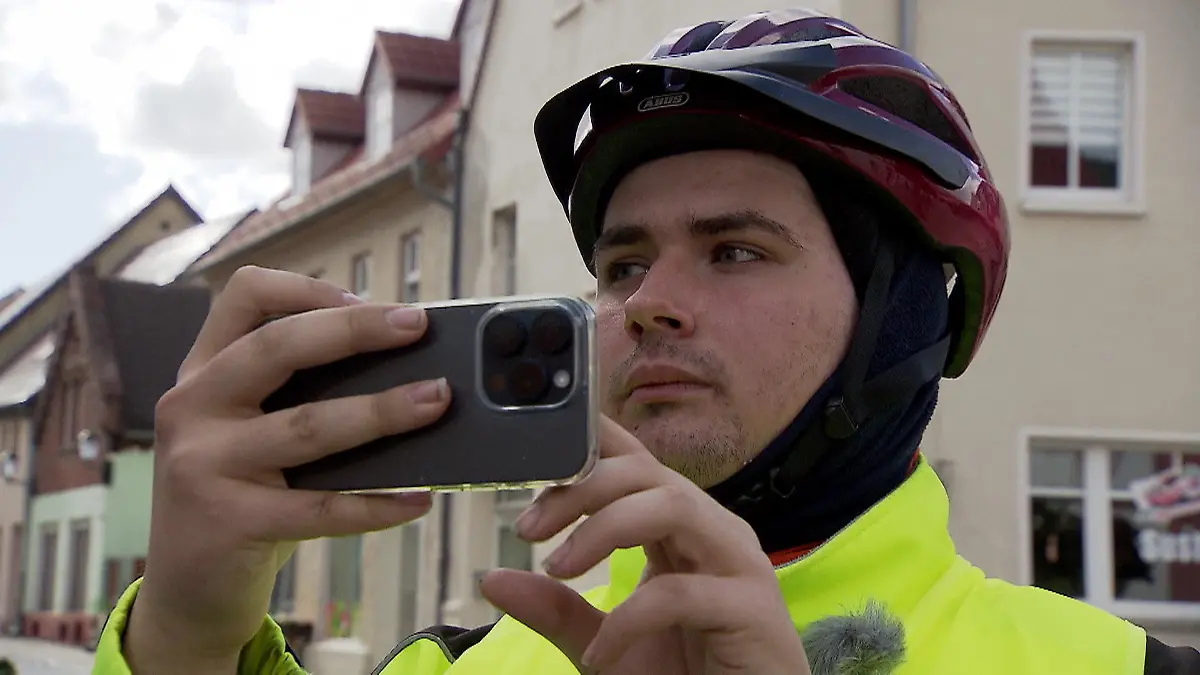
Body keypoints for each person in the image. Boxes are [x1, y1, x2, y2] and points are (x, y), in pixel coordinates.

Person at [94, 9, 1200, 675]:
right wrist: (187, 637)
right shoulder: (455, 663)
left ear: (905, 316)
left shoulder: (1118, 667)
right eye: (622, 265)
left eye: (735, 250)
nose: (646, 305)